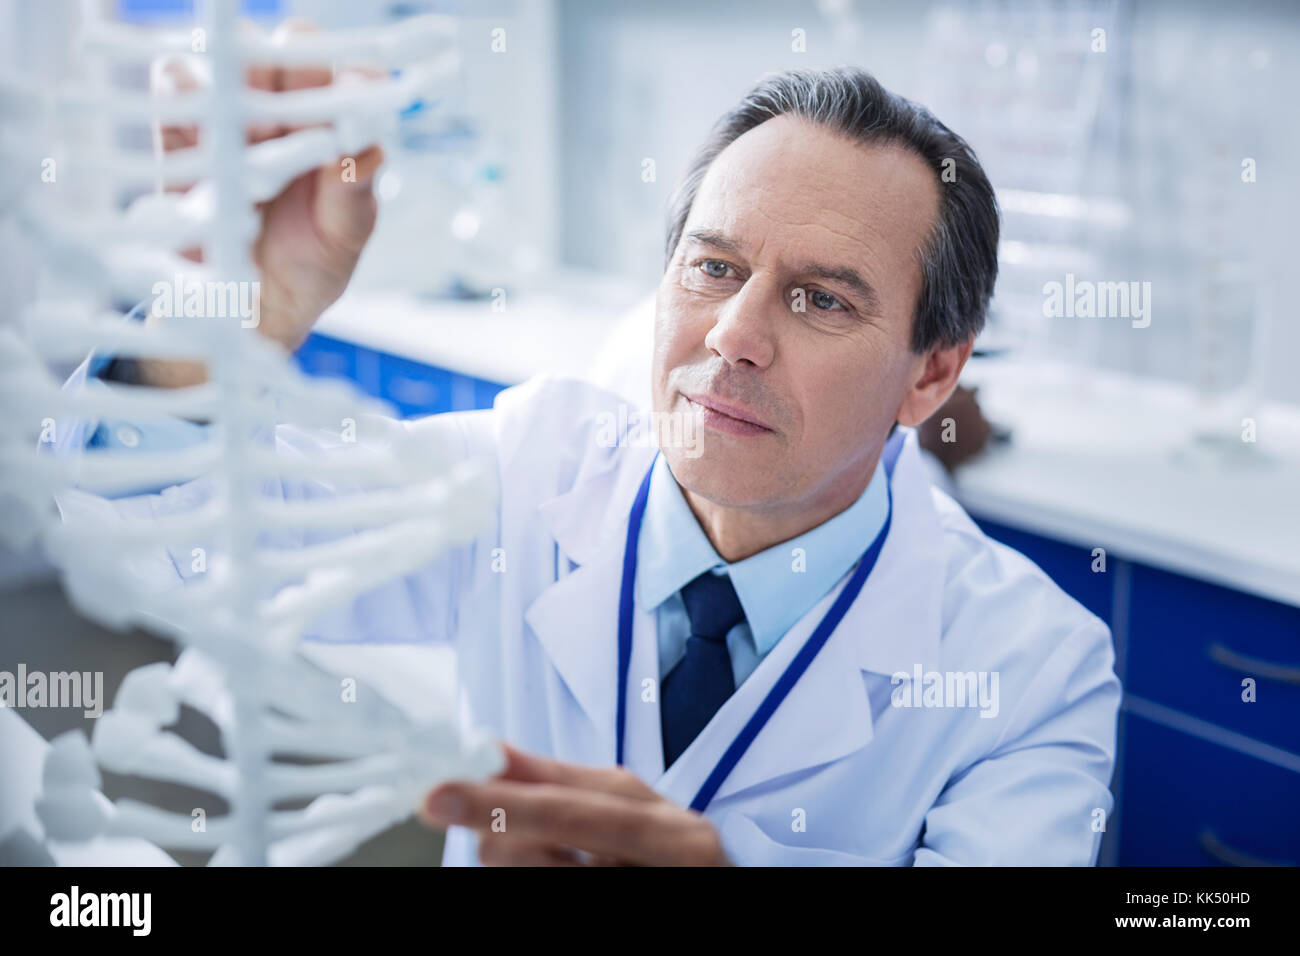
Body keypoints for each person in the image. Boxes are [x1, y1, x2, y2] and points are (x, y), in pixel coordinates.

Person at [61, 54, 1120, 866]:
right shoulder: (530, 473)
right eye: (713, 266)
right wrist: (226, 319)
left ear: (930, 375)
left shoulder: (1030, 669)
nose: (733, 335)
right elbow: (166, 539)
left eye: (820, 298)